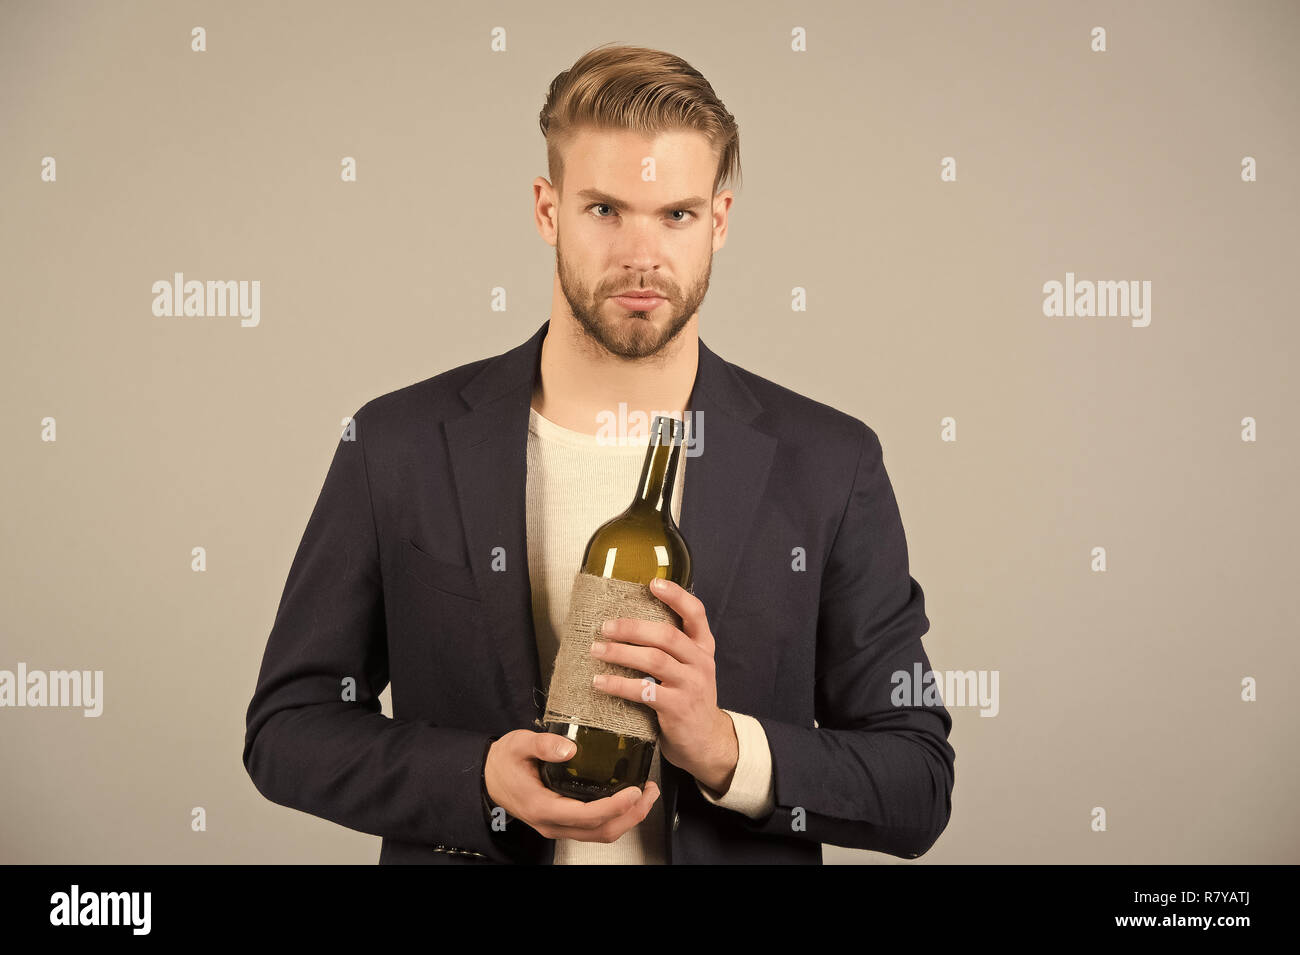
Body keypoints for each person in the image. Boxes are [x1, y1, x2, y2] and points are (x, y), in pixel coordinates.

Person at [243, 43, 955, 865]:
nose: (641, 256)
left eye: (677, 214)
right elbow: (286, 730)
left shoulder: (831, 462)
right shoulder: (397, 443)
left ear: (719, 220)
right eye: (605, 210)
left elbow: (917, 783)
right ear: (548, 210)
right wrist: (477, 777)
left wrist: (725, 747)